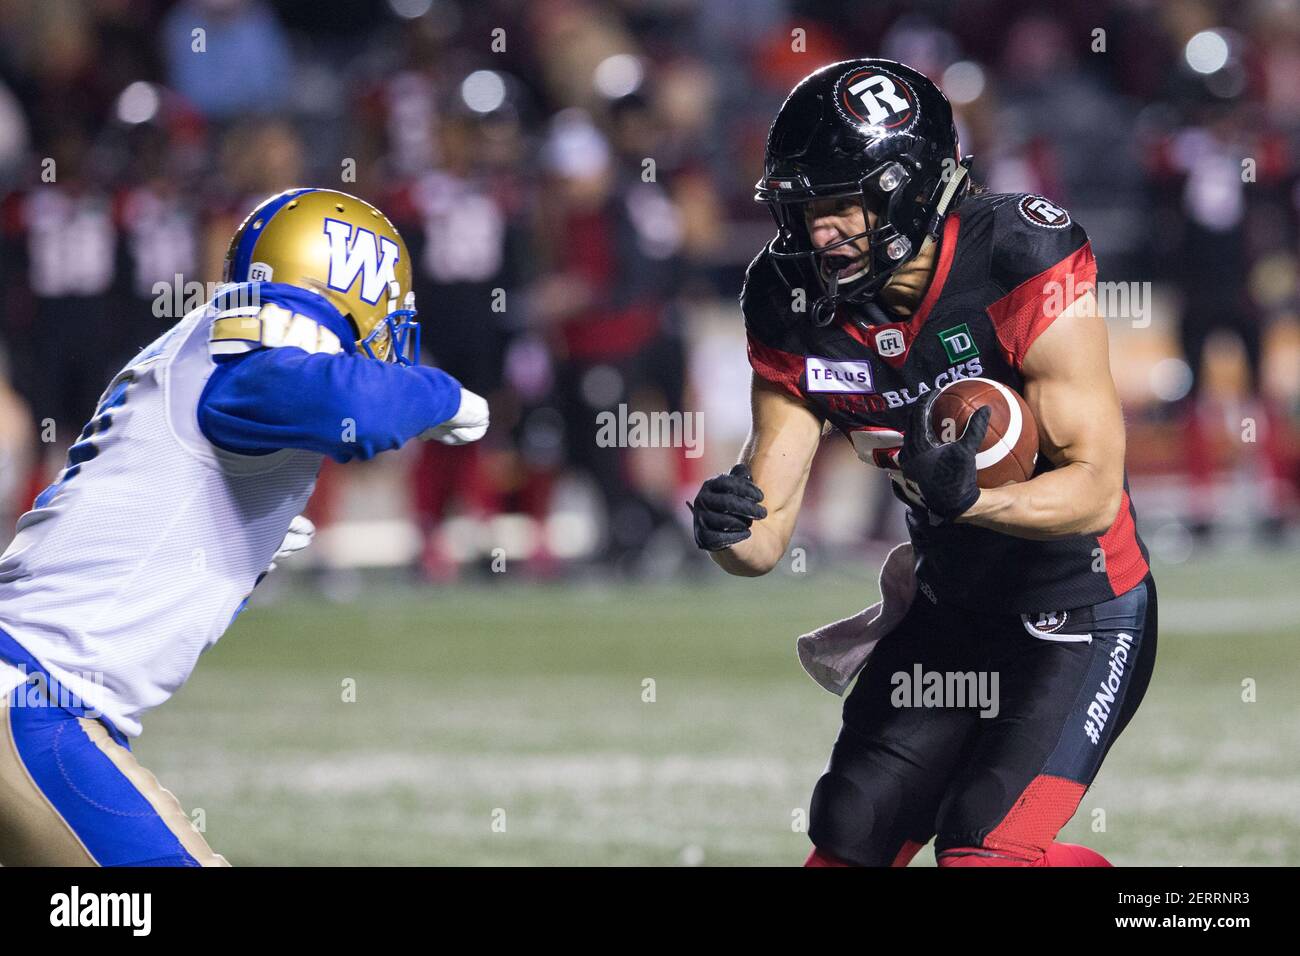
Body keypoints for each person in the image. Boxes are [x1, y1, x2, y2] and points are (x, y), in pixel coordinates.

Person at [689, 60, 1155, 867]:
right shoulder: (788, 298)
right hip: (950, 610)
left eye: (838, 205)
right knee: (846, 837)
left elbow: (1092, 491)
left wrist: (970, 501)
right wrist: (728, 525)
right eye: (802, 210)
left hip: (1075, 609)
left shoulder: (1017, 250)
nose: (817, 233)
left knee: (986, 850)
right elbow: (761, 543)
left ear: (905, 190)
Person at [0, 188, 488, 866]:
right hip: (36, 701)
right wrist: (443, 394)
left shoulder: (205, 343)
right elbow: (344, 407)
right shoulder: (257, 340)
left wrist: (237, 533)